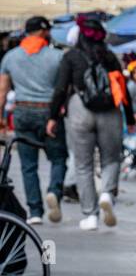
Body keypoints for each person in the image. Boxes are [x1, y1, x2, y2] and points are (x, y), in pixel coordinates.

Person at [48, 14, 128, 231]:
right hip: (110, 111)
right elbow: (123, 87)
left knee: (83, 164)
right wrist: (129, 119)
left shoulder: (71, 56)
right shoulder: (110, 56)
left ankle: (90, 215)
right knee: (111, 159)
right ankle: (107, 194)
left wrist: (53, 117)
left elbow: (60, 89)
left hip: (79, 109)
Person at [0, 15, 67, 225]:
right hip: (49, 112)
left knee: (28, 165)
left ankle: (35, 211)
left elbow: (2, 91)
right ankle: (54, 191)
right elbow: (62, 89)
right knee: (58, 158)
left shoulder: (10, 57)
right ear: (43, 31)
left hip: (22, 112)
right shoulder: (57, 56)